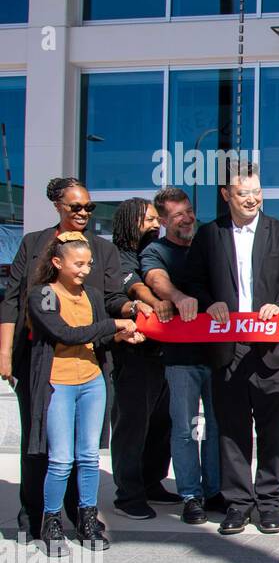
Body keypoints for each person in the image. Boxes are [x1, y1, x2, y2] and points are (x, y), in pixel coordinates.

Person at [1, 177, 131, 540]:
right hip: (40, 361)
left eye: (89, 207)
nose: (84, 213)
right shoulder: (34, 244)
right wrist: (5, 354)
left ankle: (81, 513)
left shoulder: (102, 250)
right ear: (57, 205)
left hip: (88, 365)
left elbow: (111, 298)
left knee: (84, 450)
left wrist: (128, 311)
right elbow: (11, 301)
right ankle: (36, 514)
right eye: (76, 206)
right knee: (41, 442)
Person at [182, 159, 279, 535]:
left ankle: (269, 503)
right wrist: (208, 302)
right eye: (242, 193)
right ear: (226, 196)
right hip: (227, 347)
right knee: (231, 429)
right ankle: (238, 503)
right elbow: (194, 281)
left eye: (255, 192)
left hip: (271, 350)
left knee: (272, 429)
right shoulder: (209, 235)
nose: (251, 199)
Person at [25, 232, 143, 554]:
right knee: (61, 459)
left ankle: (87, 521)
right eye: (78, 264)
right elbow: (65, 333)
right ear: (57, 262)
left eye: (88, 264)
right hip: (58, 383)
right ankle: (51, 524)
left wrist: (121, 337)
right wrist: (113, 325)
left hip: (92, 382)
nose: (84, 270)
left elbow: (97, 338)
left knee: (89, 458)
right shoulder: (43, 296)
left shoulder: (91, 296)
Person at [142, 187, 223, 524]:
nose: (187, 218)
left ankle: (216, 489)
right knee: (186, 428)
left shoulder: (209, 241)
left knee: (220, 427)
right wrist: (176, 296)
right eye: (178, 215)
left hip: (219, 352)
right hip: (181, 358)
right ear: (163, 221)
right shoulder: (156, 250)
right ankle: (191, 495)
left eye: (189, 211)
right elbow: (153, 277)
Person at [108, 198, 176, 520]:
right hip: (132, 354)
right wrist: (158, 301)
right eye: (147, 219)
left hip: (162, 354)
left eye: (155, 219)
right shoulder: (115, 256)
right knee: (132, 426)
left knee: (161, 424)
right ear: (128, 223)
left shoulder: (157, 252)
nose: (154, 224)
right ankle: (128, 495)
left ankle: (152, 482)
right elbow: (134, 287)